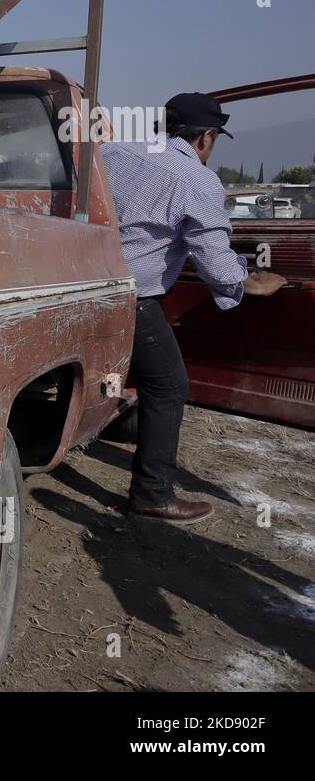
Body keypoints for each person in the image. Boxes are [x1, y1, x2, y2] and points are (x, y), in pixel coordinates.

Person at [102, 92, 287, 524]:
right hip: (134, 297)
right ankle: (152, 493)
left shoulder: (111, 152)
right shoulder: (196, 180)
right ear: (206, 137)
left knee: (118, 369)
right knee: (168, 385)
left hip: (87, 285)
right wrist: (245, 283)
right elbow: (212, 254)